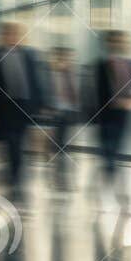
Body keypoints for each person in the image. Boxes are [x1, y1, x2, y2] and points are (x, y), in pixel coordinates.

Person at [0, 22, 44, 192]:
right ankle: (15, 177)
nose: (12, 37)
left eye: (16, 33)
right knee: (11, 142)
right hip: (4, 107)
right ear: (1, 36)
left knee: (20, 142)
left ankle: (15, 174)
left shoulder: (29, 54)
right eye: (8, 34)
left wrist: (39, 105)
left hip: (24, 106)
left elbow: (35, 81)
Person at [92, 29, 131, 199]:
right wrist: (120, 102)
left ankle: (108, 184)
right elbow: (100, 95)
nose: (119, 44)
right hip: (106, 117)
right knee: (110, 152)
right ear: (108, 44)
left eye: (122, 41)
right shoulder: (101, 66)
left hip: (123, 117)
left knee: (114, 152)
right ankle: (109, 189)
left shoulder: (129, 65)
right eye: (115, 41)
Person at [43, 45, 81, 185]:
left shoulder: (73, 73)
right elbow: (46, 92)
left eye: (68, 58)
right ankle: (57, 171)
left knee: (63, 142)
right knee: (58, 142)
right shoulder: (50, 73)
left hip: (70, 111)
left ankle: (61, 169)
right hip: (55, 112)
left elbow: (77, 92)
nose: (66, 61)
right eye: (62, 57)